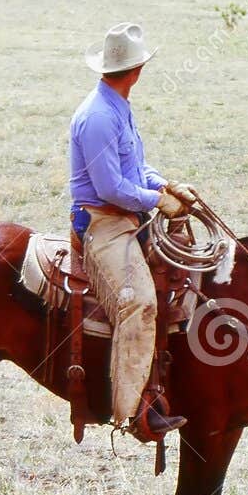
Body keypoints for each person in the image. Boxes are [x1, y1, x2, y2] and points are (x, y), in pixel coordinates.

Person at [69, 22, 196, 442]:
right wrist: (155, 200)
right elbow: (110, 188)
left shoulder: (118, 104)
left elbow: (134, 169)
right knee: (138, 303)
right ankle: (133, 411)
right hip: (104, 222)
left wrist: (164, 184)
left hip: (127, 213)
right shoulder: (99, 116)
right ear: (138, 69)